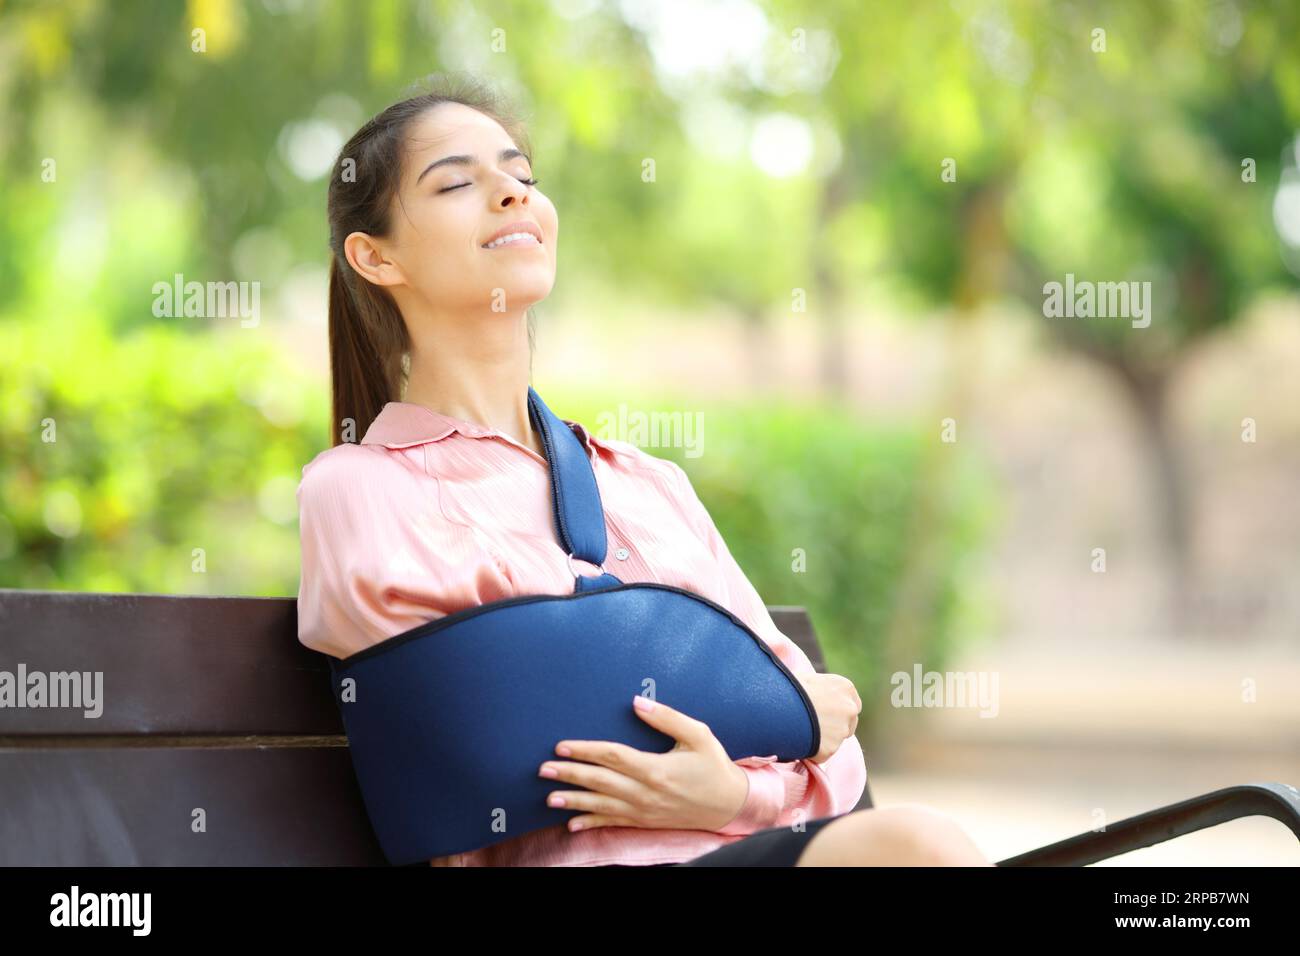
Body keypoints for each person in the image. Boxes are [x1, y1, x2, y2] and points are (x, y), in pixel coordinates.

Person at [296, 72, 992, 868]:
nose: (511, 194)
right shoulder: (361, 487)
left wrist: (729, 793)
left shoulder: (649, 485)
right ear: (375, 256)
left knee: (917, 845)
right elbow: (473, 741)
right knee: (913, 849)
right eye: (457, 182)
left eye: (523, 176)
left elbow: (838, 756)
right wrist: (777, 714)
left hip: (743, 847)